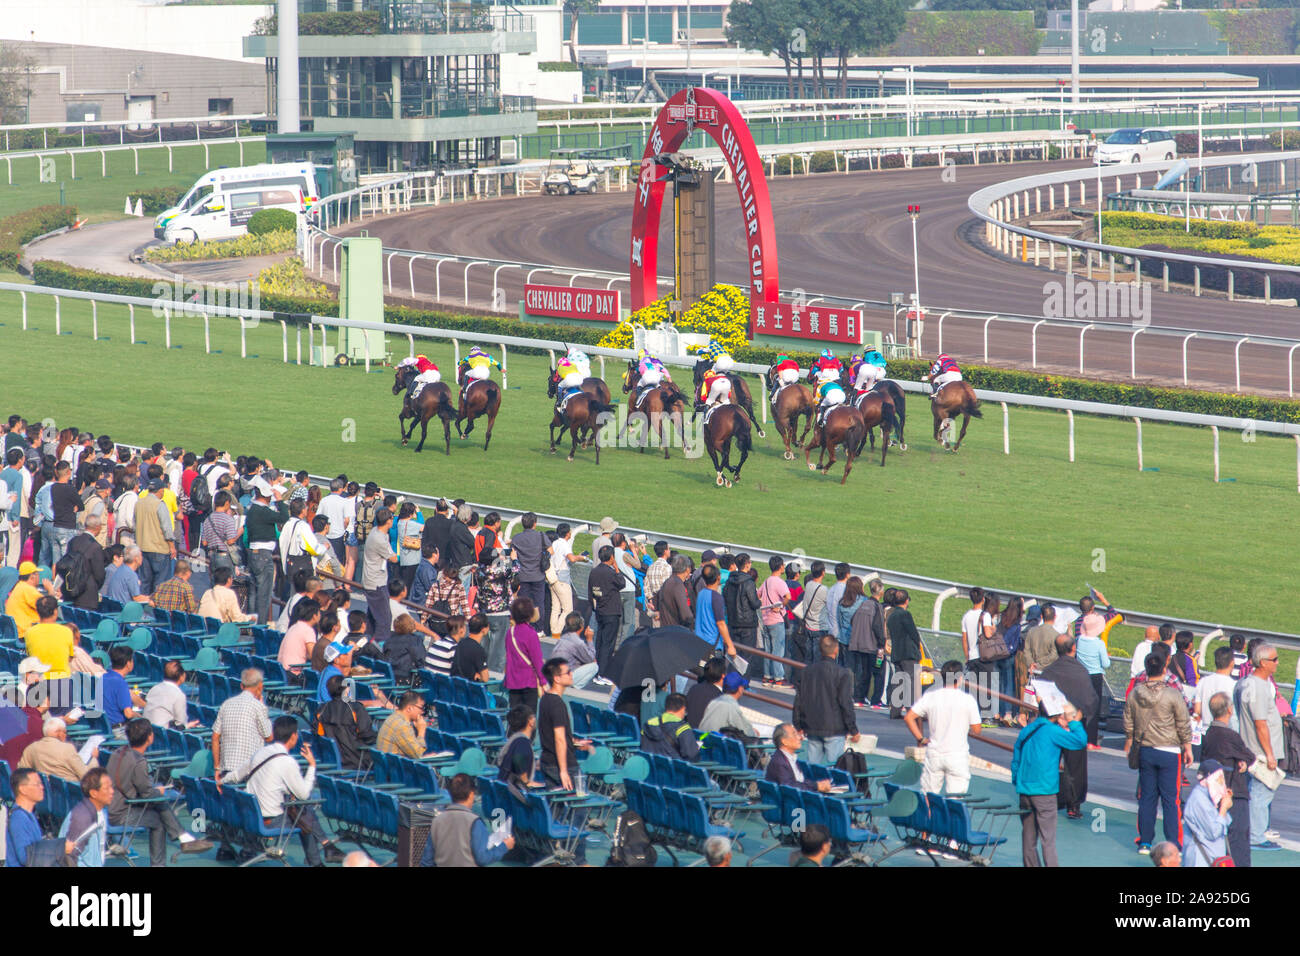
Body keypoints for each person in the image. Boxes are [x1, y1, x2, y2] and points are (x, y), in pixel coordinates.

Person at [230, 715, 345, 867]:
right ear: (293, 736)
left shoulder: (260, 753)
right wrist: (311, 766)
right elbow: (303, 794)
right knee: (304, 815)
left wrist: (220, 780)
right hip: (268, 821)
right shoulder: (286, 761)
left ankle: (326, 847)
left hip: (249, 815)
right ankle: (318, 859)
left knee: (301, 808)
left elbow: (237, 775)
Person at [106, 718, 212, 866]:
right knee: (158, 816)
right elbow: (147, 794)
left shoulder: (118, 752)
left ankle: (182, 837)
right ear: (150, 737)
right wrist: (158, 791)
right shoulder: (139, 762)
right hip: (123, 813)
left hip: (113, 806)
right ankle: (175, 845)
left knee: (158, 807)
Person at [1124, 652, 1193, 855]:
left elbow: (1128, 719)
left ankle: (1145, 841)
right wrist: (1187, 745)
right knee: (1171, 800)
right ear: (1164, 669)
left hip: (1145, 748)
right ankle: (1173, 843)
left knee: (1147, 797)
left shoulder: (1136, 692)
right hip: (1170, 750)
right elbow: (1182, 722)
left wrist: (1130, 740)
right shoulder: (1172, 694)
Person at [1011, 701, 1086, 867]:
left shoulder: (1027, 730)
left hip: (1025, 790)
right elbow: (1080, 741)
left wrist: (1017, 779)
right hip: (1044, 791)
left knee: (1028, 838)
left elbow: (1016, 757)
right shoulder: (1053, 732)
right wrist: (1073, 721)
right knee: (1048, 840)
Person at [1040, 634, 1100, 818]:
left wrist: (1057, 717)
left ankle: (1045, 799)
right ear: (1073, 648)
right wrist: (1077, 718)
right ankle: (1073, 805)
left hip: (1054, 723)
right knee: (1075, 767)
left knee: (1049, 762)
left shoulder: (1049, 671)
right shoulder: (1081, 671)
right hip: (1074, 725)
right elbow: (1090, 699)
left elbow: (1042, 697)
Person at [1234, 642, 1285, 852]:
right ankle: (1255, 835)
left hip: (1249, 748)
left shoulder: (1244, 683)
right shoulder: (1258, 687)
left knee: (1251, 792)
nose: (1277, 663)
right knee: (1261, 794)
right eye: (1274, 659)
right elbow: (1260, 723)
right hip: (1260, 752)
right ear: (1263, 663)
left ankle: (1250, 831)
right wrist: (1270, 754)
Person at [905, 661, 983, 795]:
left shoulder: (931, 696)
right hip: (957, 755)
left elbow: (909, 717)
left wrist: (921, 738)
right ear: (959, 678)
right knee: (956, 801)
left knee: (929, 797)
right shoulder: (967, 700)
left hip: (934, 753)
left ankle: (929, 815)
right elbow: (977, 729)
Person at [1200, 691, 1254, 867]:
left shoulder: (1209, 734)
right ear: (1230, 710)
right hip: (1233, 790)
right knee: (1238, 836)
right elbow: (1249, 755)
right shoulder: (1230, 735)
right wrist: (1243, 760)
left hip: (1214, 789)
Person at [420, 772, 515, 867]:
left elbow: (426, 861)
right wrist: (504, 846)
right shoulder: (475, 822)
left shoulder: (437, 820)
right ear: (471, 794)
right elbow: (482, 858)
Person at [793, 635, 860, 765]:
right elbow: (845, 703)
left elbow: (799, 700)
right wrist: (853, 729)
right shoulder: (842, 673)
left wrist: (798, 725)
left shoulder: (807, 672)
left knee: (813, 768)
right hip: (834, 728)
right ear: (836, 650)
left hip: (811, 726)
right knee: (835, 768)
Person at [537, 658, 594, 790]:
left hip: (548, 760)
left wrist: (573, 742)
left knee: (556, 806)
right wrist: (563, 771)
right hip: (564, 764)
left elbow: (553, 734)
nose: (571, 674)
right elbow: (559, 739)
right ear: (557, 678)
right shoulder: (558, 705)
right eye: (568, 672)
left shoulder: (546, 698)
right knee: (577, 805)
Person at [1182, 760, 1234, 867]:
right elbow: (1213, 833)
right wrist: (1223, 808)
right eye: (1219, 776)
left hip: (1213, 857)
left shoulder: (1211, 797)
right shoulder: (1198, 800)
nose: (1222, 780)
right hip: (1201, 859)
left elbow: (1226, 823)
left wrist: (1223, 804)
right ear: (1209, 777)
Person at [59, 767, 114, 868]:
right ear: (94, 793)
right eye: (107, 788)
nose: (112, 791)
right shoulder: (82, 820)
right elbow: (69, 858)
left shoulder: (101, 812)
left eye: (111, 787)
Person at [587, 545, 627, 678]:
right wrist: (616, 568)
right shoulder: (610, 573)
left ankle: (597, 669)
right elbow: (622, 583)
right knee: (607, 644)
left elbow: (590, 592)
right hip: (611, 611)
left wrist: (595, 607)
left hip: (600, 610)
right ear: (611, 557)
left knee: (600, 641)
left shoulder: (594, 571)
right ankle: (602, 673)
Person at [849, 578, 888, 708]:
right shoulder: (877, 607)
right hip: (873, 648)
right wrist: (882, 645)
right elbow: (878, 628)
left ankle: (859, 698)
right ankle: (876, 700)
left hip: (859, 645)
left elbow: (853, 621)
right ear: (881, 592)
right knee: (879, 673)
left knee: (864, 673)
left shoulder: (863, 604)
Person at [362, 507, 399, 643]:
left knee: (372, 618)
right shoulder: (379, 540)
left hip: (373, 580)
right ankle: (380, 649)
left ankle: (366, 644)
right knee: (384, 620)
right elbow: (393, 558)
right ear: (388, 521)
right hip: (376, 584)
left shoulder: (376, 532)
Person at [18, 717, 93, 783]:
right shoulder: (67, 748)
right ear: (59, 733)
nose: (65, 735)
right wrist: (93, 759)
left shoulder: (31, 748)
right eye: (65, 732)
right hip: (71, 793)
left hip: (45, 792)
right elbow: (86, 776)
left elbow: (21, 772)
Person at [504, 597, 546, 712]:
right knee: (529, 719)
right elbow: (537, 660)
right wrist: (543, 681)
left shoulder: (510, 632)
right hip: (528, 681)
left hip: (512, 680)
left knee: (515, 718)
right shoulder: (531, 633)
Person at [766, 723, 833, 793]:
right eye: (794, 734)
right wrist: (817, 786)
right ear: (784, 741)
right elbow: (790, 787)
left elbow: (800, 781)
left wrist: (819, 784)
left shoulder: (789, 758)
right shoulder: (780, 762)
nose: (800, 737)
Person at [757, 556, 792, 686]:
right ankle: (778, 677)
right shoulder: (779, 582)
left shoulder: (766, 581)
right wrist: (781, 605)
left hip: (765, 619)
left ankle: (767, 676)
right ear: (780, 566)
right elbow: (788, 597)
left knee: (768, 649)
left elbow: (758, 595)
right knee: (778, 650)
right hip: (776, 620)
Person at [887, 589, 922, 714]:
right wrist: (918, 647)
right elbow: (913, 633)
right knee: (911, 682)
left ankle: (895, 711)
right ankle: (912, 711)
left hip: (897, 653)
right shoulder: (905, 614)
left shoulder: (891, 615)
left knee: (899, 682)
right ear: (906, 601)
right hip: (908, 653)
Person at [24, 595, 76, 680]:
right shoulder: (67, 632)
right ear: (55, 612)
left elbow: (30, 654)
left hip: (38, 680)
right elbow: (70, 657)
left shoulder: (29, 632)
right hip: (61, 681)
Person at [1193, 647, 1238, 743]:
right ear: (1232, 663)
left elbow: (1197, 710)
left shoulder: (1203, 681)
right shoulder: (1234, 686)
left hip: (1204, 733)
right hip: (1225, 735)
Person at [694, 563, 737, 659]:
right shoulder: (716, 597)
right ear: (718, 577)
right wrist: (730, 645)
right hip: (713, 644)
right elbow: (721, 623)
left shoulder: (701, 593)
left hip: (699, 642)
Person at [641, 693, 701, 762]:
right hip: (674, 769)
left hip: (650, 767)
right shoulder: (682, 728)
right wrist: (695, 747)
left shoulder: (649, 723)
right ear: (683, 708)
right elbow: (691, 755)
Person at [508, 512, 547, 619]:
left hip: (522, 576)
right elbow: (551, 551)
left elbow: (512, 553)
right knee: (539, 604)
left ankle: (523, 624)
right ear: (535, 523)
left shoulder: (516, 538)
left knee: (522, 604)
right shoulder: (541, 536)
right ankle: (538, 628)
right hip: (538, 575)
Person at [547, 522, 582, 637]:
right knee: (567, 609)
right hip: (562, 580)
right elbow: (571, 558)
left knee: (556, 608)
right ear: (568, 533)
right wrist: (581, 558)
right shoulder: (564, 544)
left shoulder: (554, 543)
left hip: (552, 578)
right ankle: (557, 632)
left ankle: (553, 632)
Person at [102, 645, 147, 736]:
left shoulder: (104, 677)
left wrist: (147, 706)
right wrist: (139, 716)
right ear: (128, 664)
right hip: (118, 730)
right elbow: (128, 714)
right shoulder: (120, 683)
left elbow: (131, 695)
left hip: (105, 729)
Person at [5, 768, 45, 867]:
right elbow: (26, 858)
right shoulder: (19, 818)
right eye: (37, 784)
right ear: (22, 789)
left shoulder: (29, 815)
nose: (42, 787)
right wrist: (59, 849)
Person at [699, 672, 758, 739]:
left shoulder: (714, 701)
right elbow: (747, 731)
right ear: (740, 689)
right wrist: (755, 733)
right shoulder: (731, 706)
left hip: (704, 740)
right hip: (715, 744)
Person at [551, 612, 600, 690]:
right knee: (594, 666)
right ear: (581, 626)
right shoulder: (578, 642)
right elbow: (591, 659)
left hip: (554, 673)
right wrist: (590, 640)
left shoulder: (563, 638)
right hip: (564, 675)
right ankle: (575, 686)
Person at [144, 660, 196, 729]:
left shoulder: (154, 688)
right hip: (162, 733)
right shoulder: (179, 695)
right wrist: (188, 725)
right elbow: (180, 723)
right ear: (181, 676)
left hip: (147, 729)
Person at [497, 705, 539, 790]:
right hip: (515, 792)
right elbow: (518, 760)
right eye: (533, 717)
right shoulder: (522, 742)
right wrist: (526, 782)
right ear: (530, 721)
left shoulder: (514, 738)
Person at [377, 692, 428, 759]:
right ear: (409, 708)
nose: (422, 712)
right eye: (421, 708)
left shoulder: (393, 717)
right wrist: (421, 730)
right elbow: (418, 755)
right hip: (396, 768)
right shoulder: (402, 726)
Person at [656, 554, 694, 630]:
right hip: (676, 631)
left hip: (665, 629)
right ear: (687, 569)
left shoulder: (668, 581)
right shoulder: (678, 585)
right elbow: (686, 614)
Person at [451, 613, 491, 683]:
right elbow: (485, 678)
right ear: (483, 629)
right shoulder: (478, 650)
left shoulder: (461, 643)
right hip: (471, 689)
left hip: (459, 686)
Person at [1023, 604, 1061, 676]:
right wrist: (1037, 665)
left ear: (1041, 616)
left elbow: (1026, 651)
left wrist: (1032, 664)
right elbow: (1054, 655)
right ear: (1055, 617)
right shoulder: (1056, 635)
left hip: (1032, 670)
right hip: (1047, 672)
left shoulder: (1031, 631)